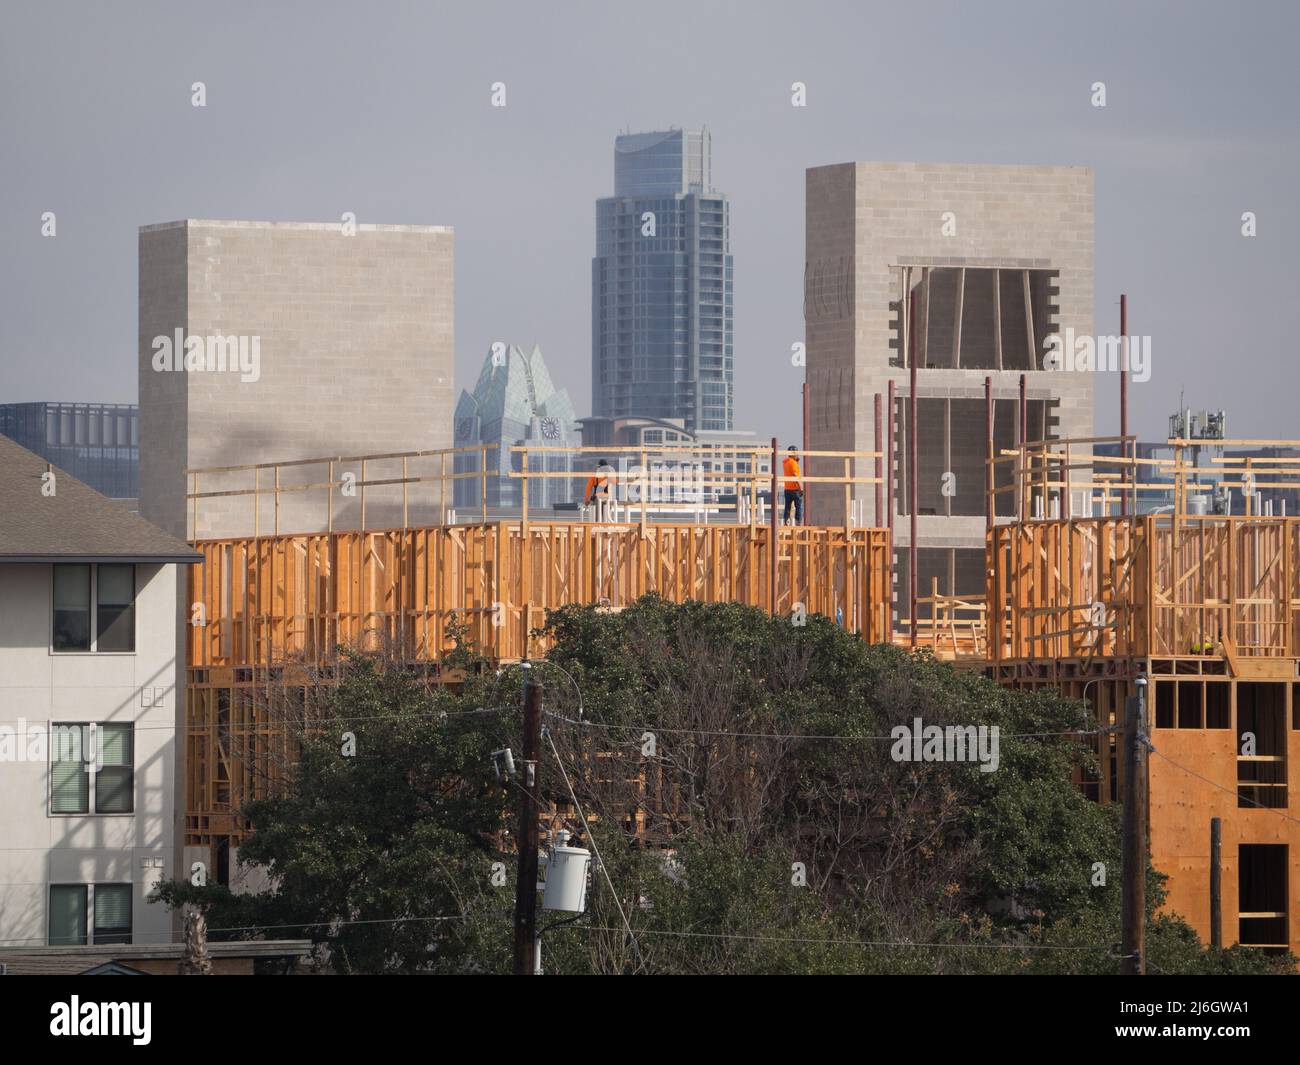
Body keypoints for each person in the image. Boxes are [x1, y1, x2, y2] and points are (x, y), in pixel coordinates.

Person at [782, 445, 803, 526]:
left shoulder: (785, 462)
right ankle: (798, 523)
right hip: (795, 488)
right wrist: (800, 487)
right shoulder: (793, 463)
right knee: (799, 507)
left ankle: (786, 521)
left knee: (787, 507)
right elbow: (794, 474)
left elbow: (790, 470)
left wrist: (796, 462)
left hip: (787, 488)